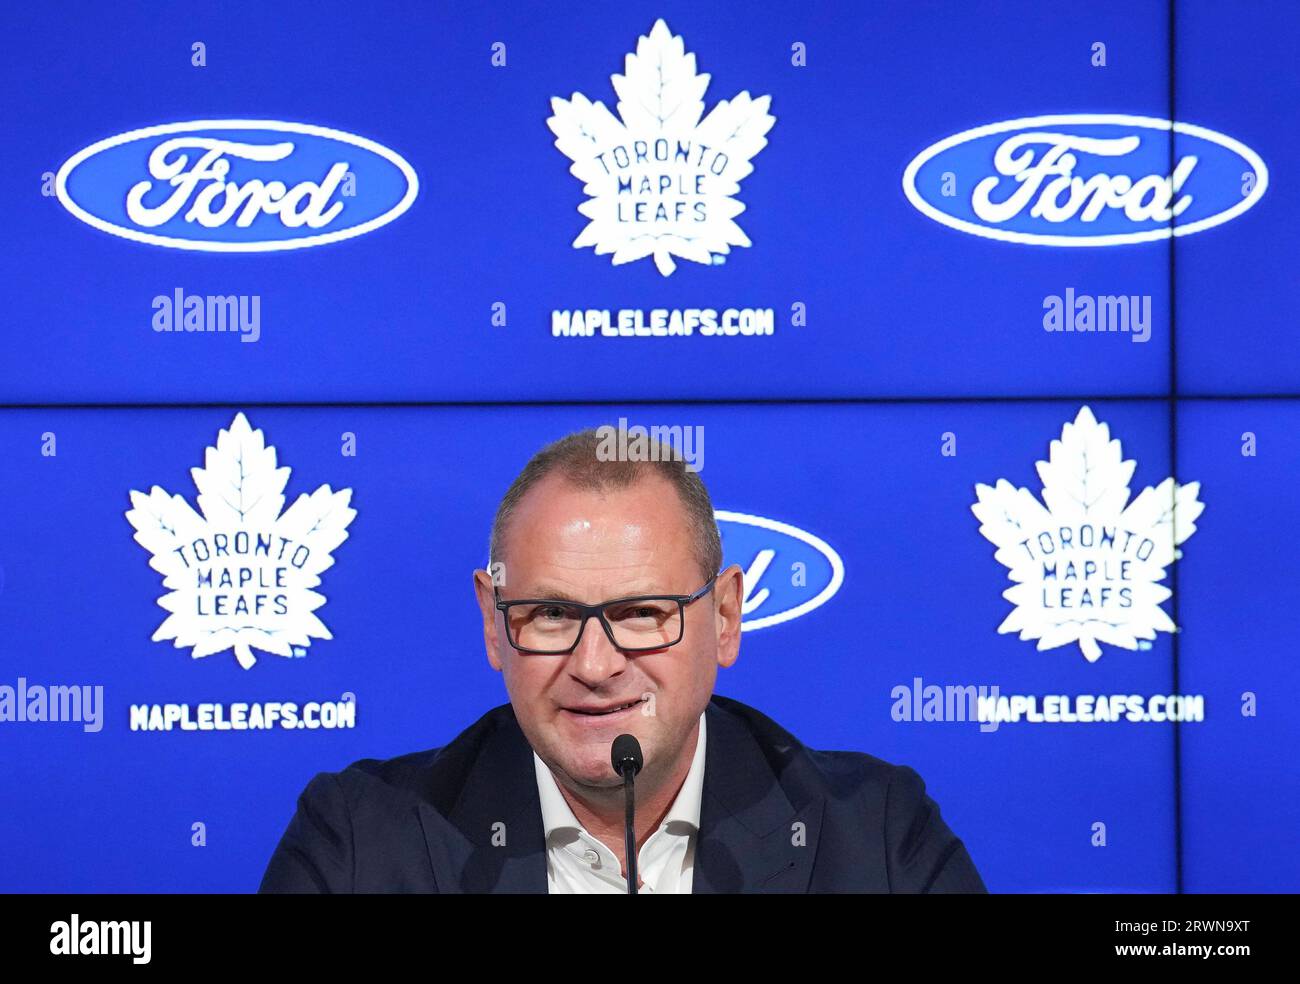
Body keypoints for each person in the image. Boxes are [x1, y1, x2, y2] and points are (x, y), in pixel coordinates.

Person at [259, 426, 987, 893]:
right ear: (492, 622)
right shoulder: (360, 847)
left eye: (642, 614)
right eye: (550, 615)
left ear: (725, 617)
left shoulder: (877, 841)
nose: (597, 664)